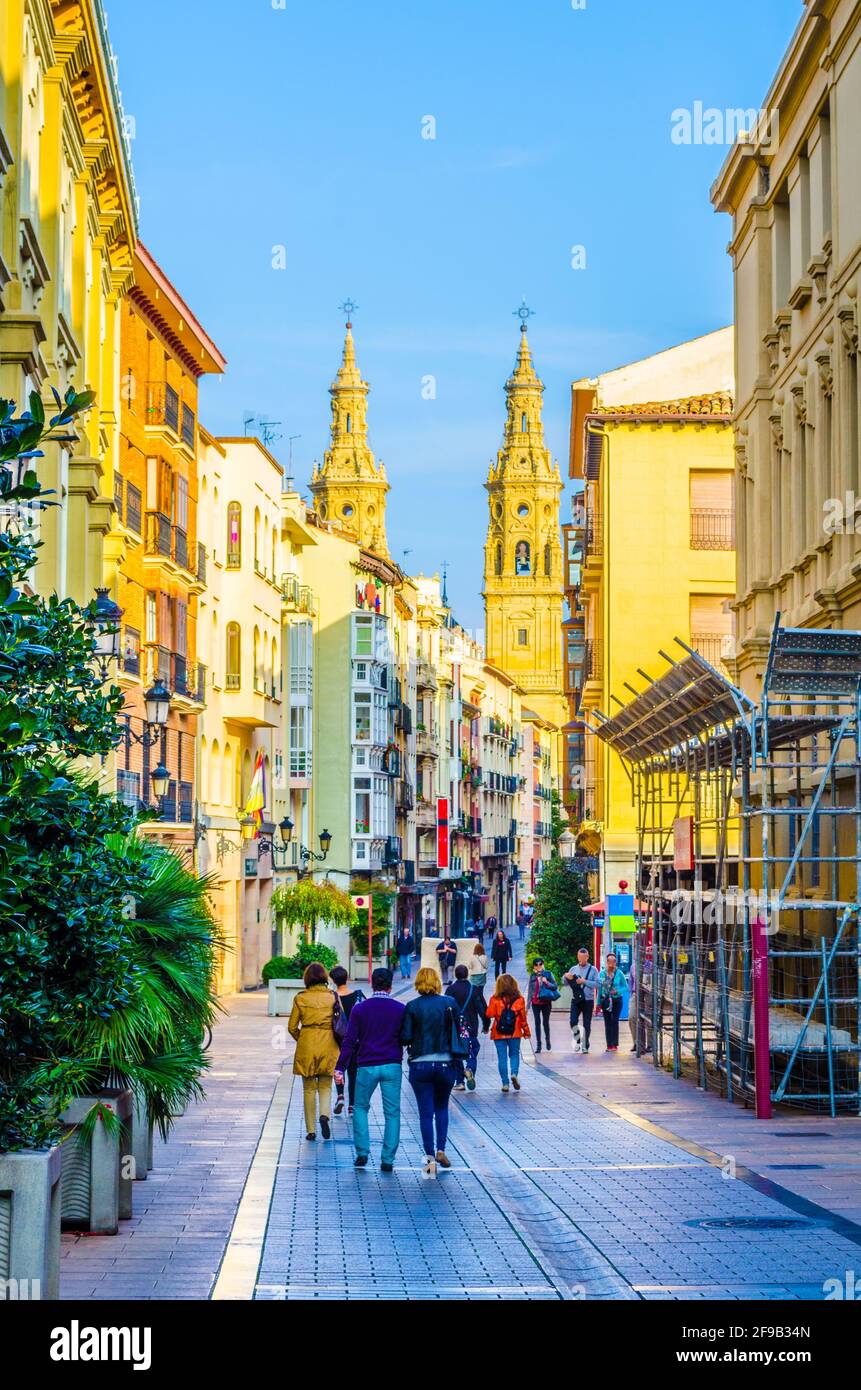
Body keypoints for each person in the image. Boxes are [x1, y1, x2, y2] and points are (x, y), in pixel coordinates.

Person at [334, 967, 405, 1172]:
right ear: (390, 986)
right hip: (392, 1064)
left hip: (366, 1065)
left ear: (372, 984)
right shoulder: (400, 1009)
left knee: (360, 1108)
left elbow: (349, 1041)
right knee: (392, 1112)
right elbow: (406, 1036)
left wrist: (340, 1067)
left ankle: (362, 1153)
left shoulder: (360, 1009)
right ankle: (388, 1159)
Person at [400, 966, 460, 1176]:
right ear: (437, 982)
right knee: (442, 1107)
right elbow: (458, 1032)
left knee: (425, 1114)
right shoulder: (449, 1004)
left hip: (420, 1065)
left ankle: (429, 1160)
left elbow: (405, 1036)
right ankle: (441, 1149)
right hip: (445, 1063)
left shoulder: (412, 1006)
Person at [288, 962, 341, 1141]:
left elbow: (292, 1027)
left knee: (308, 1089)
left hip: (307, 1044)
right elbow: (340, 1021)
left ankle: (311, 1130)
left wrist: (302, 1039)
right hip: (329, 1043)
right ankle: (324, 1114)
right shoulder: (333, 996)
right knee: (326, 1085)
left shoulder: (300, 998)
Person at [446, 963, 488, 1091]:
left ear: (456, 975)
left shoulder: (451, 990)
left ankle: (460, 1082)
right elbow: (482, 1009)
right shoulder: (474, 989)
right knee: (473, 1049)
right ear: (467, 974)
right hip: (471, 1027)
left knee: (457, 1053)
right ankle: (469, 1068)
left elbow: (445, 1009)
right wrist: (486, 1025)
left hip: (455, 1028)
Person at [485, 973, 530, 1092]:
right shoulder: (520, 999)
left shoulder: (494, 999)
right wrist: (526, 1032)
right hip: (514, 1032)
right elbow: (523, 1018)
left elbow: (489, 1014)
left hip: (499, 1032)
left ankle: (505, 1083)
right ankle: (514, 1074)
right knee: (514, 1054)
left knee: (502, 1058)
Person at [329, 966, 365, 1115]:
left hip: (338, 1037)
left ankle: (340, 1096)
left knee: (339, 1068)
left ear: (333, 980)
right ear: (346, 977)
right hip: (355, 1039)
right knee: (353, 1071)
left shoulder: (332, 997)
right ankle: (352, 1105)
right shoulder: (357, 995)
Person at [563, 947, 601, 1054]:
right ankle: (577, 1039)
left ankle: (585, 1045)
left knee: (586, 1024)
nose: (581, 959)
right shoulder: (573, 969)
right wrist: (566, 976)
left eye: (583, 957)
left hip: (588, 1000)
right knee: (573, 1021)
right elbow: (565, 983)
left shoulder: (593, 970)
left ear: (587, 957)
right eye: (579, 957)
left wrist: (584, 981)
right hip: (575, 1000)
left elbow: (598, 984)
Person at [598, 952, 627, 1052]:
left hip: (616, 1000)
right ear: (606, 962)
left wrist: (617, 991)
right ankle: (609, 1045)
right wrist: (598, 1003)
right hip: (606, 1000)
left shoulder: (619, 973)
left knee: (614, 1021)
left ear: (615, 962)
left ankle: (614, 1044)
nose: (611, 963)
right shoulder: (602, 973)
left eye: (613, 961)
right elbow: (600, 989)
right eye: (609, 961)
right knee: (607, 1022)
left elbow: (626, 987)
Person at [528, 956, 557, 1053]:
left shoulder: (548, 974)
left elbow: (555, 986)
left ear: (543, 964)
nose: (538, 966)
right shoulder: (532, 976)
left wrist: (546, 982)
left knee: (545, 1022)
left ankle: (547, 1040)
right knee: (537, 1023)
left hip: (546, 1002)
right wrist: (527, 1006)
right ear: (534, 966)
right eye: (536, 964)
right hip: (535, 1002)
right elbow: (530, 991)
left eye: (540, 964)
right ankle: (538, 1044)